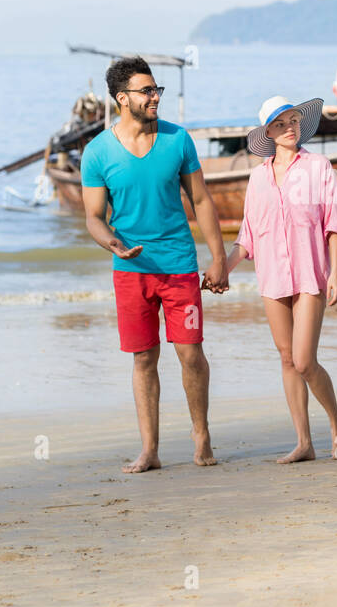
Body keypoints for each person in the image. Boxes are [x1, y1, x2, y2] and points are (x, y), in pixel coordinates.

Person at [80, 56, 230, 473]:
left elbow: (201, 200)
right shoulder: (97, 152)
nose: (154, 97)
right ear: (120, 98)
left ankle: (201, 437)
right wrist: (112, 243)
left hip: (179, 267)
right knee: (143, 358)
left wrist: (218, 259)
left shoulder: (178, 140)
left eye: (156, 90)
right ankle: (150, 449)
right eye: (146, 91)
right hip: (130, 272)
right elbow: (93, 216)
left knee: (190, 353)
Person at [226, 96, 337, 463]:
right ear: (268, 133)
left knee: (303, 360)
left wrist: (336, 273)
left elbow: (333, 222)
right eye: (281, 124)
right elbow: (247, 235)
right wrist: (222, 269)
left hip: (312, 275)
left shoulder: (318, 167)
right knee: (285, 358)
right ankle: (304, 442)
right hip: (272, 277)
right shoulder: (257, 177)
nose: (290, 128)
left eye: (294, 120)